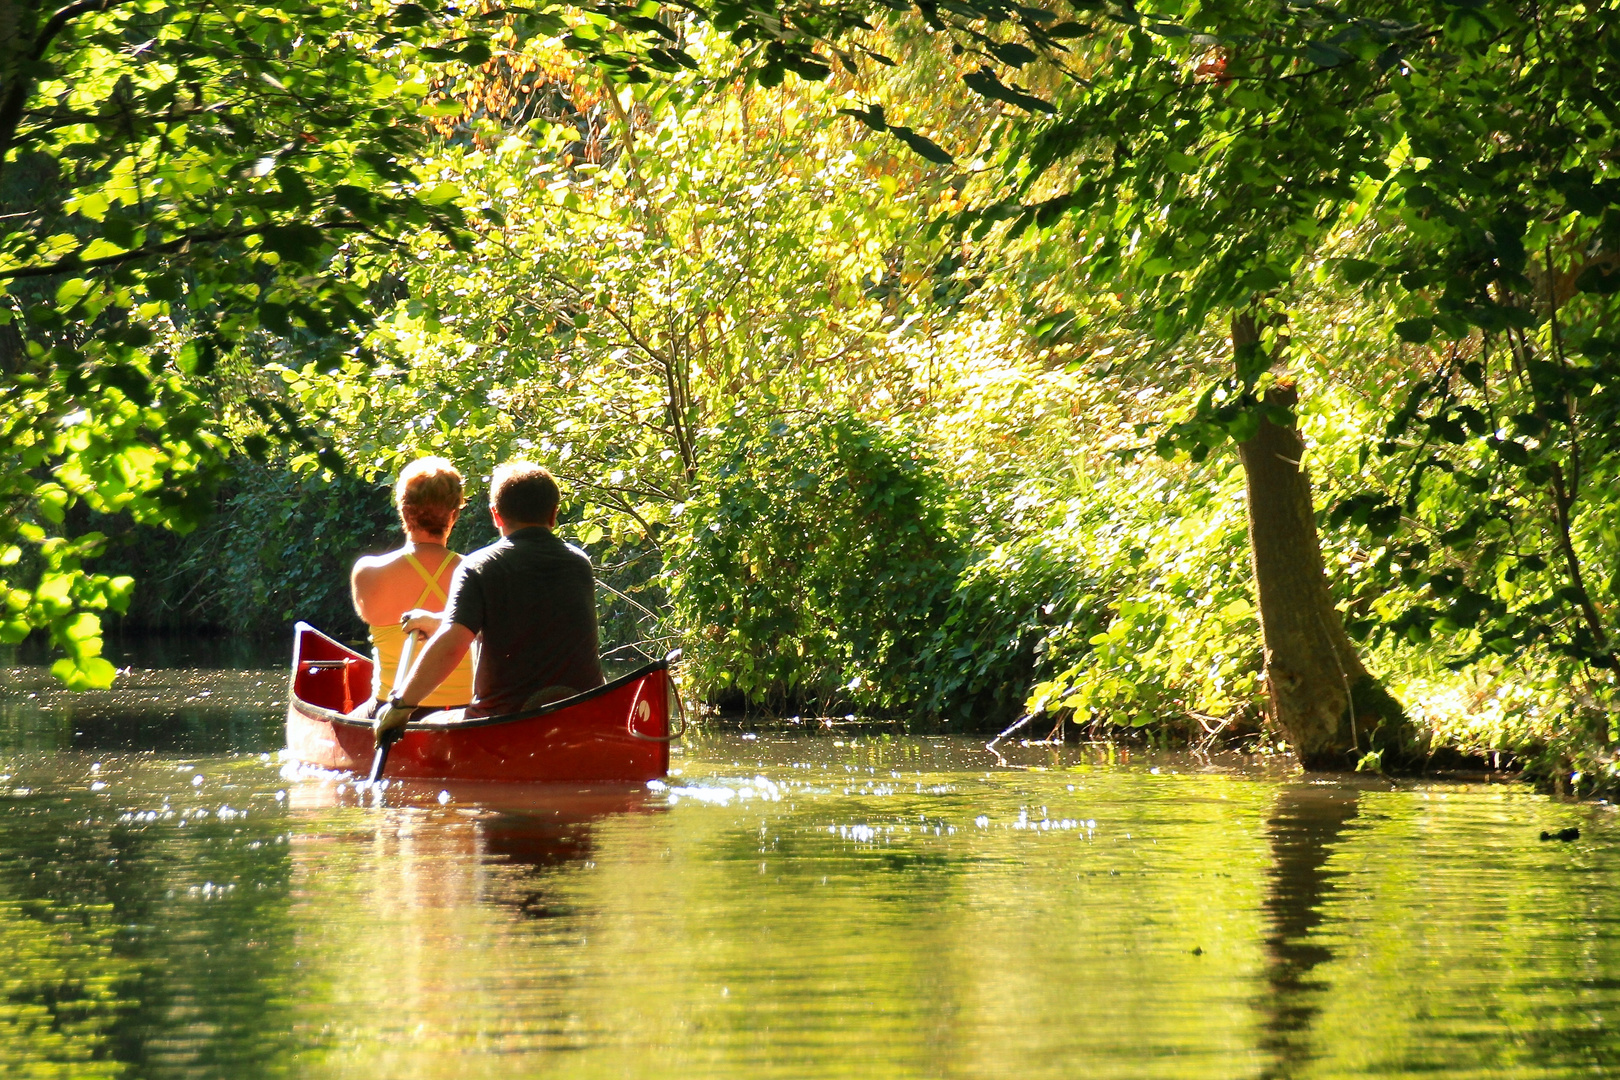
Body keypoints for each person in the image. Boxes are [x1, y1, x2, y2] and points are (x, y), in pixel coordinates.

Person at [375, 461, 604, 741]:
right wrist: (439, 620)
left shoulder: (480, 566)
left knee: (430, 722)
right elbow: (524, 619)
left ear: (496, 516)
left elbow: (453, 643)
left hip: (503, 721)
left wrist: (401, 705)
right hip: (577, 715)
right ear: (554, 515)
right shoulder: (579, 563)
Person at [349, 456, 476, 710]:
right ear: (453, 515)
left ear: (403, 510)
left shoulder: (368, 572)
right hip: (466, 713)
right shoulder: (479, 572)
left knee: (353, 711)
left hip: (393, 711)